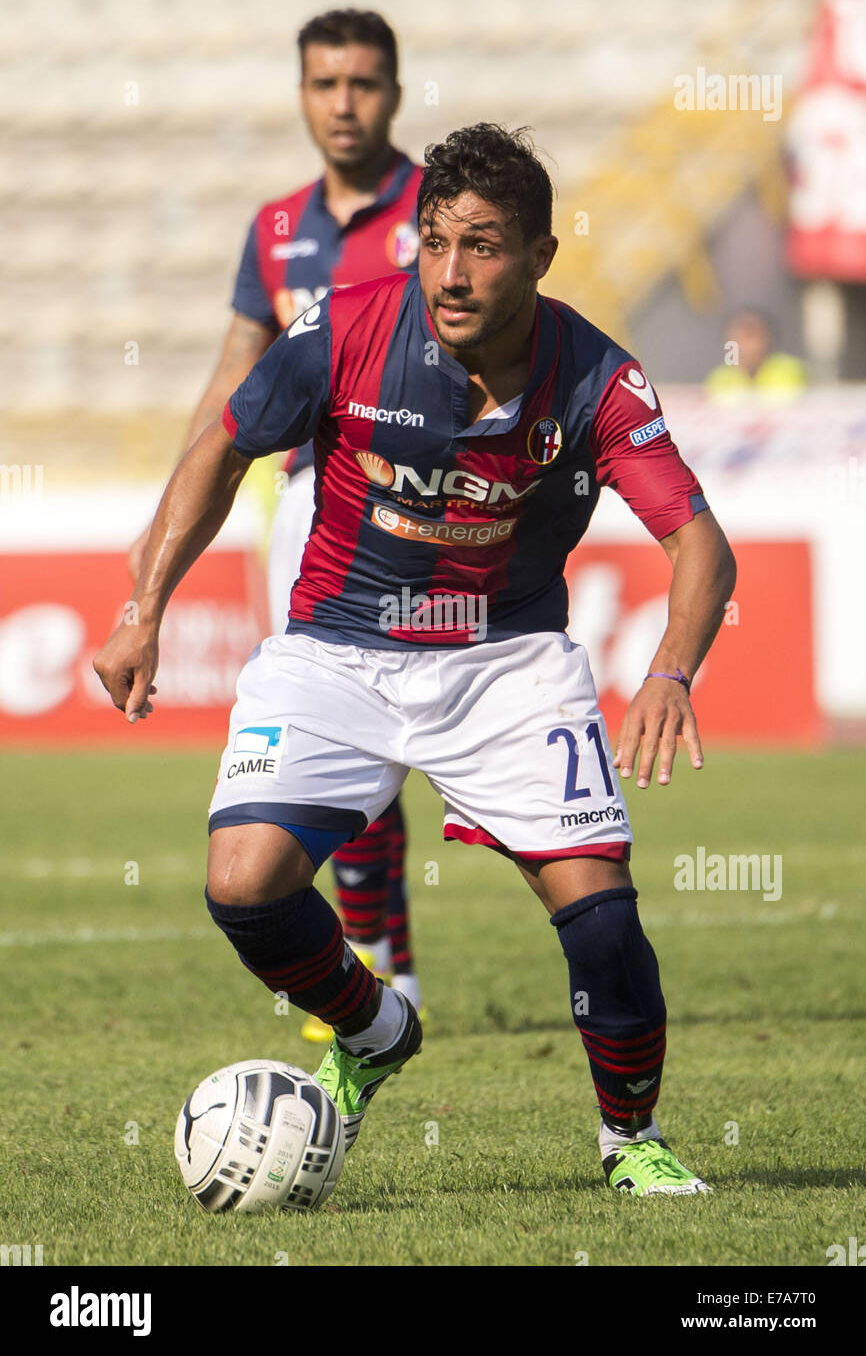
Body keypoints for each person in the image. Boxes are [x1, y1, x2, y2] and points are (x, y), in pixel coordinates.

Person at [96, 123, 737, 1196]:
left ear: (539, 254)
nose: (450, 273)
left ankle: (631, 1137)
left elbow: (700, 546)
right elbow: (224, 444)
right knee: (243, 887)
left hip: (507, 663)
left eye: (482, 245)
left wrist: (670, 670)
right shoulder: (345, 330)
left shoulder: (597, 377)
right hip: (335, 650)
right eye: (435, 242)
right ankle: (376, 1026)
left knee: (601, 919)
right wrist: (144, 607)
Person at [127, 9, 425, 1041]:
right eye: (325, 83)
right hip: (306, 498)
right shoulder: (274, 227)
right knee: (336, 719)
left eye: (363, 83)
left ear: (394, 92)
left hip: (422, 501)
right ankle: (380, 957)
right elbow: (236, 371)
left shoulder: (436, 209)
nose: (344, 103)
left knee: (410, 725)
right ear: (301, 94)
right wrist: (172, 505)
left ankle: (401, 952)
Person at [705, 308, 806, 402]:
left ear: (767, 338)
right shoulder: (721, 376)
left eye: (750, 335)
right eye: (736, 337)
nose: (745, 345)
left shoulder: (789, 369)